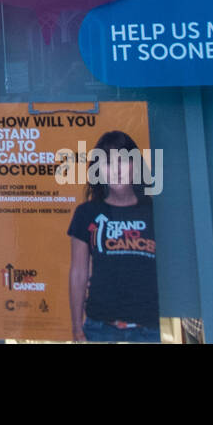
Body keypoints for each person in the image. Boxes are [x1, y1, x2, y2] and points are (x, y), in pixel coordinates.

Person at [67, 130, 158, 342]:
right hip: (99, 328)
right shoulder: (86, 213)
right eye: (107, 164)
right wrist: (76, 327)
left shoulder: (155, 211)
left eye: (123, 162)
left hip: (150, 329)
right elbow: (78, 272)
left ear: (135, 166)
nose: (116, 171)